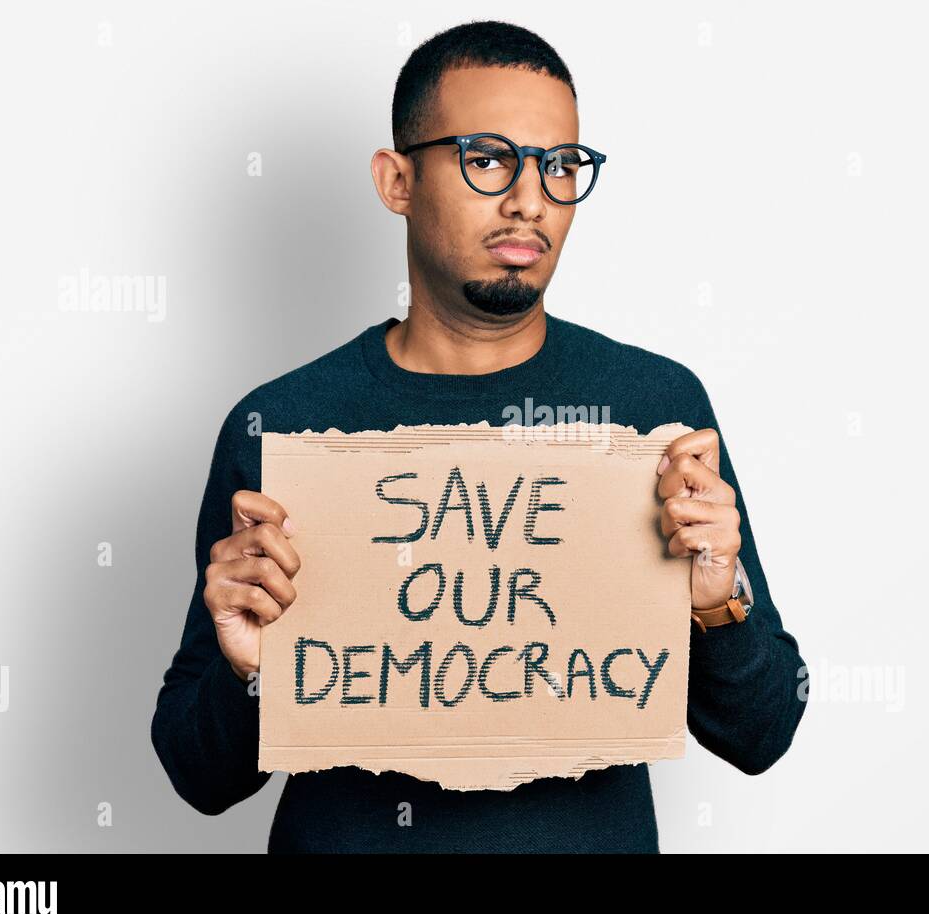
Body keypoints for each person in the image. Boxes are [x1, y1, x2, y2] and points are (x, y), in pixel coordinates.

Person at [151, 19, 807, 853]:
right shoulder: (283, 422)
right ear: (396, 180)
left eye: (560, 166)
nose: (529, 200)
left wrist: (721, 604)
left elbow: (763, 733)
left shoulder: (654, 409)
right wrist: (249, 672)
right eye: (488, 158)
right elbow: (196, 776)